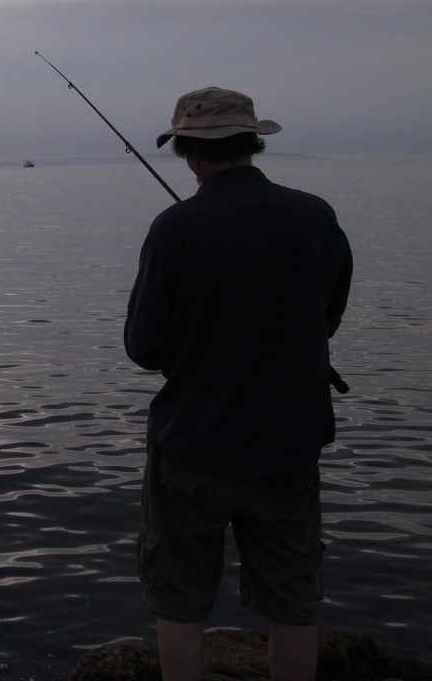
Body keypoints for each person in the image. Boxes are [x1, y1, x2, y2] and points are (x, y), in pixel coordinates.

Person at [124, 87, 353, 681]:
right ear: (252, 143)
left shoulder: (174, 228)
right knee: (294, 604)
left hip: (192, 446)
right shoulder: (315, 215)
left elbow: (144, 348)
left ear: (187, 152)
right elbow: (327, 314)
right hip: (289, 446)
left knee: (178, 602)